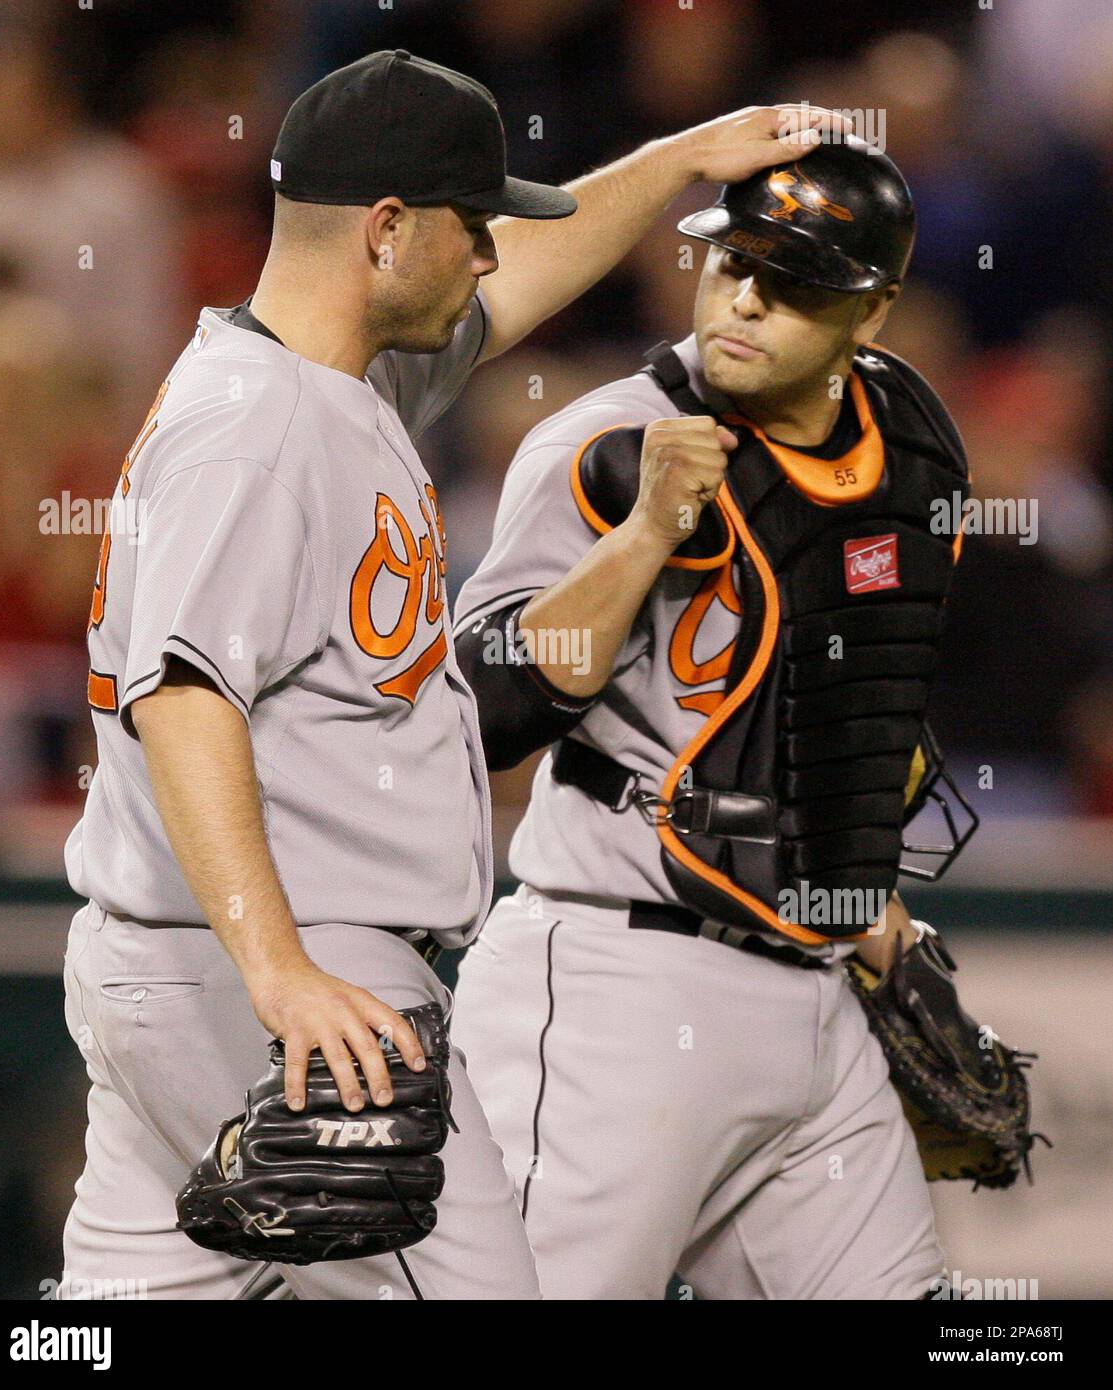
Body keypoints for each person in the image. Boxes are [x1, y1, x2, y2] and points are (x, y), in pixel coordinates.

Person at [58, 48, 843, 1300]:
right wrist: (282, 973)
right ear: (385, 231)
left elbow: (519, 284)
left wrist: (680, 160)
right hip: (299, 966)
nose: (489, 256)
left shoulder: (319, 381)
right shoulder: (255, 428)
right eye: (470, 226)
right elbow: (182, 698)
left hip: (187, 960)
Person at [452, 136, 967, 1299]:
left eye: (792, 282)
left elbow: (836, 706)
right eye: (731, 262)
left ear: (871, 311)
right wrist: (639, 541)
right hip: (615, 983)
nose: (742, 298)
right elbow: (474, 713)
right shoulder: (601, 443)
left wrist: (867, 906)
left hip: (816, 991)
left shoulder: (905, 445)